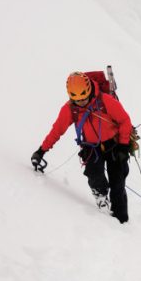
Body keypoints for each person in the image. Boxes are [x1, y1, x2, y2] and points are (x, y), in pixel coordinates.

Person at [31, 71, 133, 223]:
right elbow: (57, 130)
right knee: (94, 174)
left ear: (90, 90)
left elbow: (125, 121)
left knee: (117, 183)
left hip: (115, 145)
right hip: (92, 147)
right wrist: (41, 151)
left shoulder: (105, 101)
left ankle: (122, 222)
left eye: (84, 99)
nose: (82, 103)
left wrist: (124, 146)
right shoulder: (70, 109)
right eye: (77, 100)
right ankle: (101, 198)